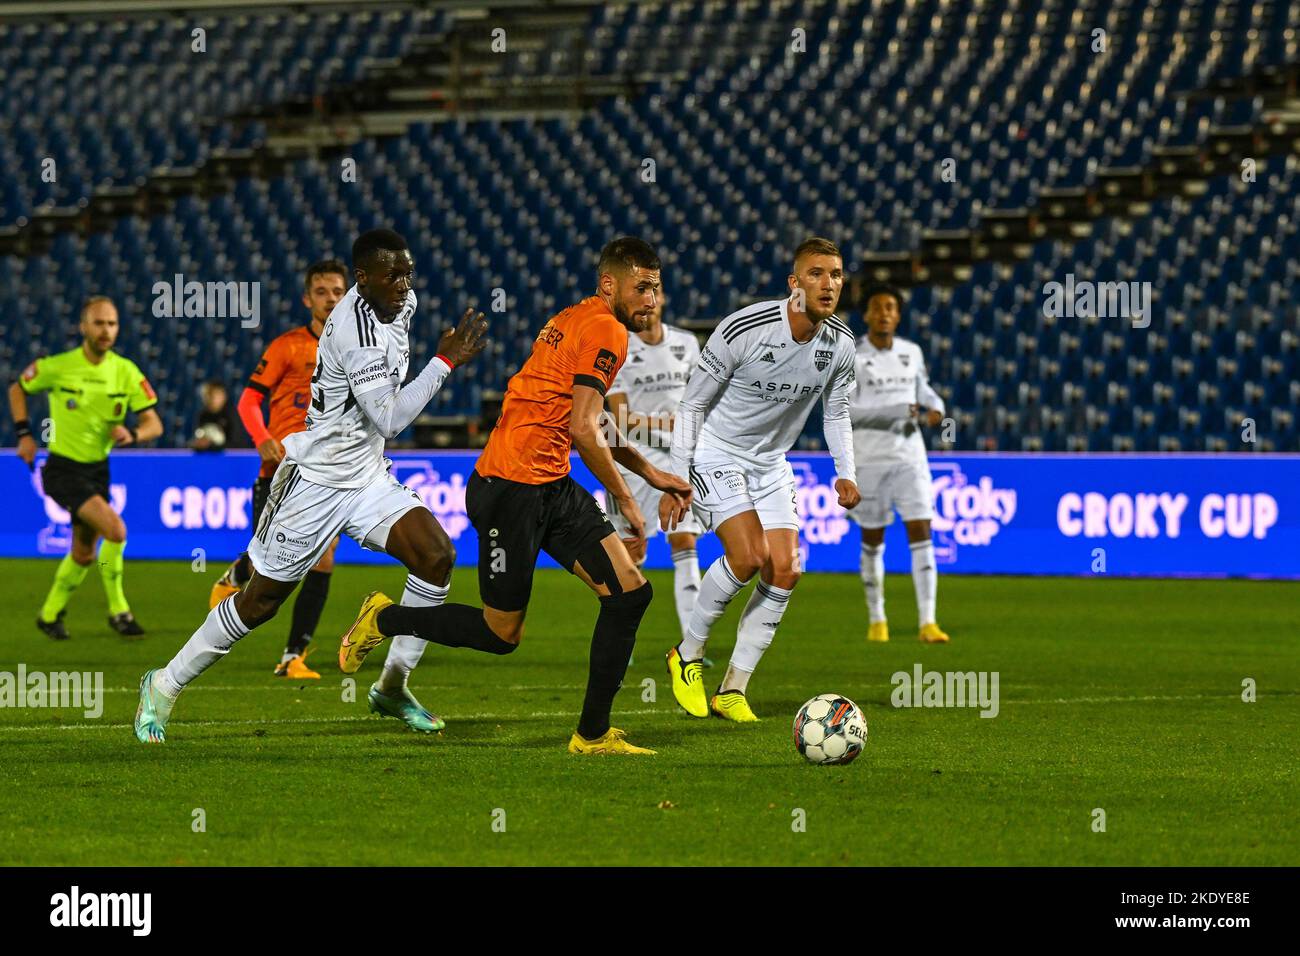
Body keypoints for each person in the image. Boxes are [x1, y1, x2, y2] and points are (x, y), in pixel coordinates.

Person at [334, 237, 693, 755]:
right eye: (643, 288)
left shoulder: (578, 317)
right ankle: (384, 618)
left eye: (657, 289)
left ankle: (591, 735)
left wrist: (650, 471)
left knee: (630, 594)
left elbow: (591, 420)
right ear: (610, 284)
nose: (652, 301)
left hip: (548, 482)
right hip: (509, 488)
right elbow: (585, 428)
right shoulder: (606, 329)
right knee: (501, 635)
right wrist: (628, 501)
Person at [134, 229, 488, 743]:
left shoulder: (403, 302)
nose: (403, 283)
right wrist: (445, 362)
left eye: (407, 272)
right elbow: (389, 418)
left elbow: (380, 424)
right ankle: (162, 685)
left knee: (436, 556)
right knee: (259, 603)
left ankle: (391, 687)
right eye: (391, 275)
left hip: (366, 475)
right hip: (315, 481)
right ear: (363, 279)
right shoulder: (353, 330)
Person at [663, 237, 861, 721]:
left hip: (771, 461)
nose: (828, 284)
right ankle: (687, 655)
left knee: (786, 568)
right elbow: (692, 405)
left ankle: (733, 688)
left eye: (835, 274)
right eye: (816, 273)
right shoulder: (744, 328)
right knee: (748, 556)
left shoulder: (841, 344)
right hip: (717, 452)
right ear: (793, 283)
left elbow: (835, 411)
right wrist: (676, 475)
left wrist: (846, 473)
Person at [208, 258, 350, 679]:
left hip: (327, 473)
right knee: (271, 564)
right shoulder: (287, 346)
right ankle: (239, 571)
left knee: (323, 561)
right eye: (322, 292)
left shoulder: (353, 349)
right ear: (307, 298)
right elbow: (249, 400)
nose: (330, 299)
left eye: (338, 292)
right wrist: (262, 439)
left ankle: (293, 658)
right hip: (281, 471)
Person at [9, 296, 163, 639]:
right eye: (99, 323)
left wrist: (133, 433)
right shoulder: (58, 366)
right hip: (63, 469)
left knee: (82, 553)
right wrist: (25, 435)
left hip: (98, 470)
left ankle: (49, 615)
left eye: (112, 324)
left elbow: (155, 424)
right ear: (83, 326)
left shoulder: (126, 371)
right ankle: (119, 611)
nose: (106, 330)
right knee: (116, 530)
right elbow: (17, 389)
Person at [602, 295, 713, 666]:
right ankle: (621, 644)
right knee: (632, 553)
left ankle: (691, 647)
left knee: (685, 541)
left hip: (679, 461)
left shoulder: (687, 343)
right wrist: (672, 426)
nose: (650, 301)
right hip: (634, 463)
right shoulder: (619, 346)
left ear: (664, 298)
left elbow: (701, 401)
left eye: (657, 291)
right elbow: (621, 419)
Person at [848, 284, 951, 644]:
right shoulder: (852, 355)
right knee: (872, 539)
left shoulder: (911, 352)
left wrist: (936, 405)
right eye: (877, 308)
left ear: (898, 314)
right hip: (869, 461)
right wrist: (894, 411)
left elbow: (923, 389)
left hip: (910, 458)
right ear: (867, 315)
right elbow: (846, 413)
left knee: (922, 533)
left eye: (891, 307)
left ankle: (928, 622)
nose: (884, 314)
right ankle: (877, 619)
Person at [190, 380, 248, 451]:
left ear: (223, 396)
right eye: (206, 395)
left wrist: (210, 446)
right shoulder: (203, 415)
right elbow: (198, 439)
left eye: (213, 395)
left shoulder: (232, 414)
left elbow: (237, 444)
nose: (209, 399)